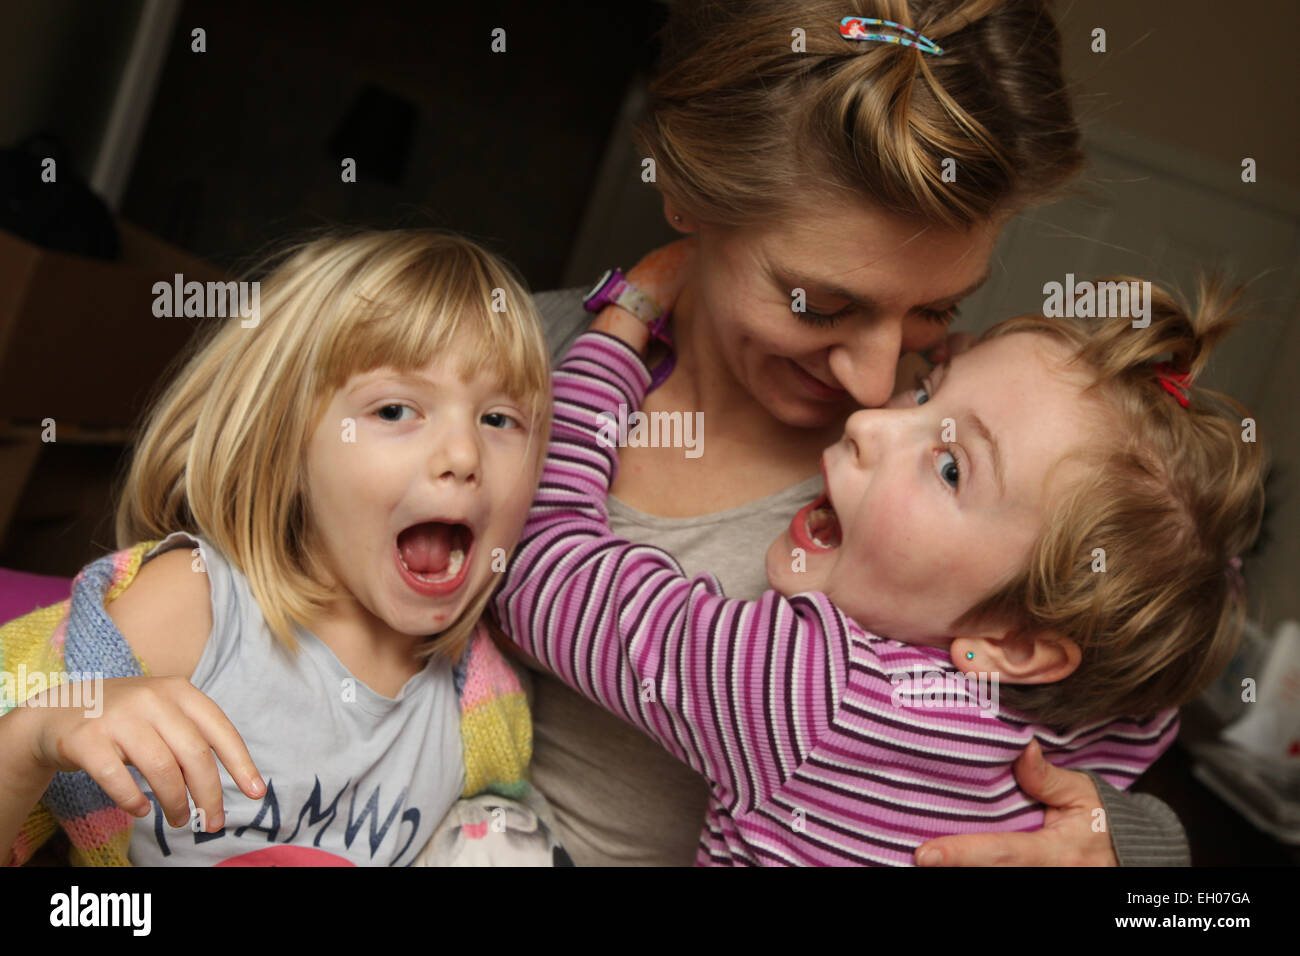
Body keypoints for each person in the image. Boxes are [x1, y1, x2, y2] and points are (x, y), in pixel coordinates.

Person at [518, 0, 1195, 865]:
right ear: (686, 196)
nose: (876, 388)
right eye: (825, 305)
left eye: (938, 309)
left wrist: (1125, 849)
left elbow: (1149, 706)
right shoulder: (484, 368)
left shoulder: (1047, 476)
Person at [496, 276, 1263, 865]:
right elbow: (1195, 576)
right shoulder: (1104, 715)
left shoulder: (807, 686)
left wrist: (622, 326)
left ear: (1021, 641)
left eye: (952, 469)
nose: (868, 421)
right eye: (924, 389)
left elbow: (539, 562)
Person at [0, 230, 551, 866]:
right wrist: (35, 737)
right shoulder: (192, 610)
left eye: (500, 420)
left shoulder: (480, 708)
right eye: (396, 411)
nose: (463, 456)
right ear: (285, 443)